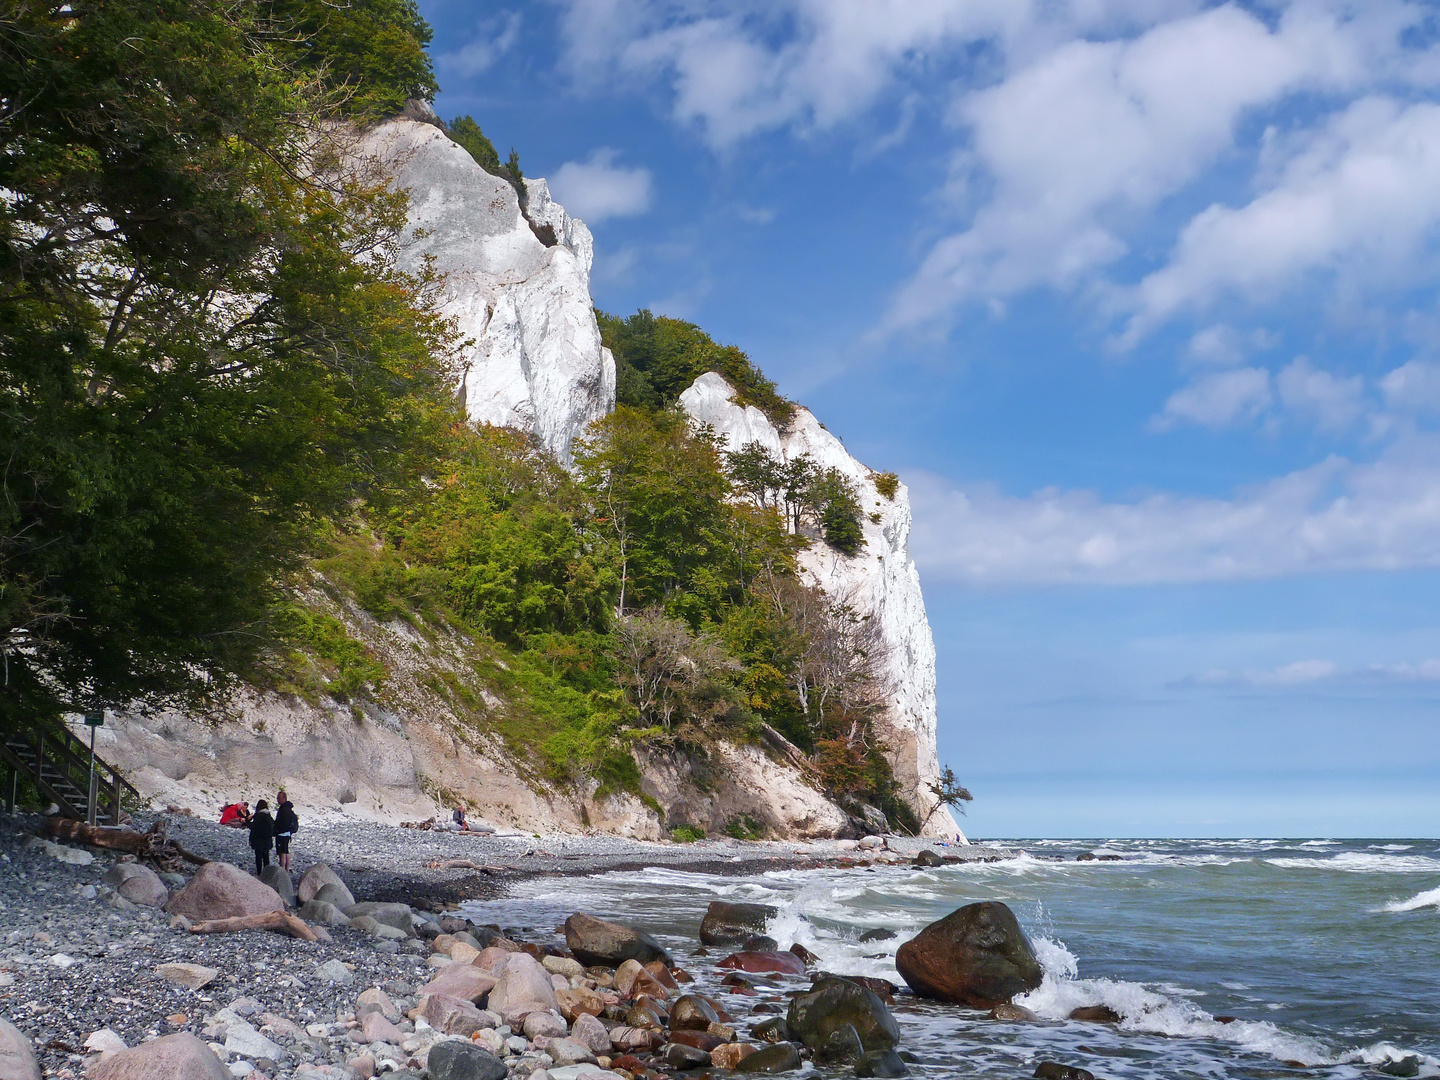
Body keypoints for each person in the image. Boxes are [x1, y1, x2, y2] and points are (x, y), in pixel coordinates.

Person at [273, 789, 298, 871]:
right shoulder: (289, 808)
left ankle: (282, 870)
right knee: (286, 851)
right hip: (287, 834)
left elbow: (282, 822)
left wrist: (276, 830)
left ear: (284, 799)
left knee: (282, 853)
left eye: (279, 798)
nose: (277, 800)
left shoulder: (283, 809)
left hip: (282, 834)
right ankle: (286, 870)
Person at [248, 799, 274, 876]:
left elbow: (254, 829)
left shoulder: (258, 816)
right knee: (266, 857)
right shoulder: (268, 816)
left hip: (258, 840)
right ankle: (267, 873)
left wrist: (251, 840)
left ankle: (259, 873)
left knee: (258, 857)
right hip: (267, 840)